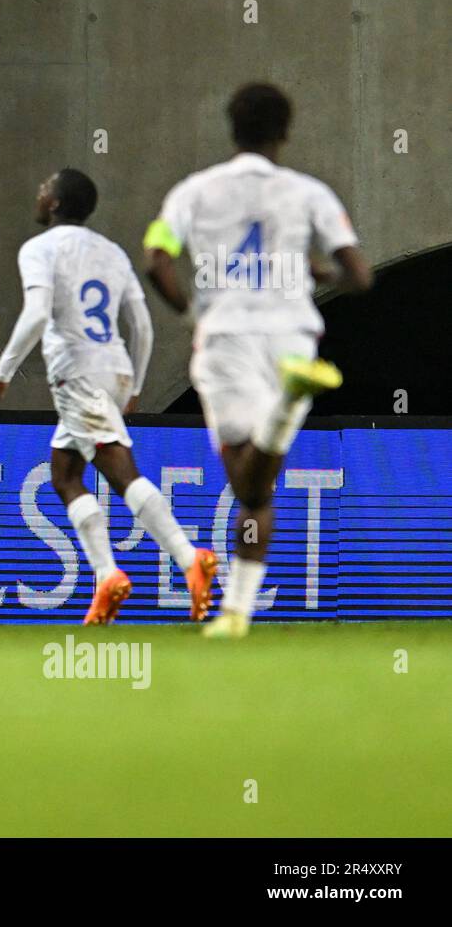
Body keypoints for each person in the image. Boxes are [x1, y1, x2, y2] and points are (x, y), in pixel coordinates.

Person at [144, 83, 373, 638]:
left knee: (247, 487)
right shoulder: (311, 193)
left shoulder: (192, 191)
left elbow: (156, 259)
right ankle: (238, 614)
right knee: (259, 488)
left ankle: (237, 611)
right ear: (286, 132)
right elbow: (360, 275)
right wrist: (314, 272)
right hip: (294, 338)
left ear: (231, 129)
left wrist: (189, 313)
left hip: (228, 336)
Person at [0, 168, 218, 625]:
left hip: (77, 374)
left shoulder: (39, 249)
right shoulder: (111, 252)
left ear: (53, 203)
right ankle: (107, 574)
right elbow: (143, 325)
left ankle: (190, 559)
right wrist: (137, 385)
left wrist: (2, 372)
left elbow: (35, 314)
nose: (38, 191)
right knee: (65, 472)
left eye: (43, 186)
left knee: (118, 470)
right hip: (115, 369)